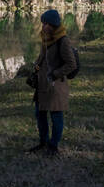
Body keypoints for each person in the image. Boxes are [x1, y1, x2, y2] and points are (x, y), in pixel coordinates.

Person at [26, 9, 76, 156]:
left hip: (56, 85)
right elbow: (42, 57)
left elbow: (71, 64)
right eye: (43, 23)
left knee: (56, 116)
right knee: (40, 114)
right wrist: (36, 67)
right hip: (42, 84)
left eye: (46, 23)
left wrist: (55, 74)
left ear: (53, 25)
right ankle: (43, 142)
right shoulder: (45, 38)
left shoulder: (63, 40)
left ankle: (53, 147)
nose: (43, 26)